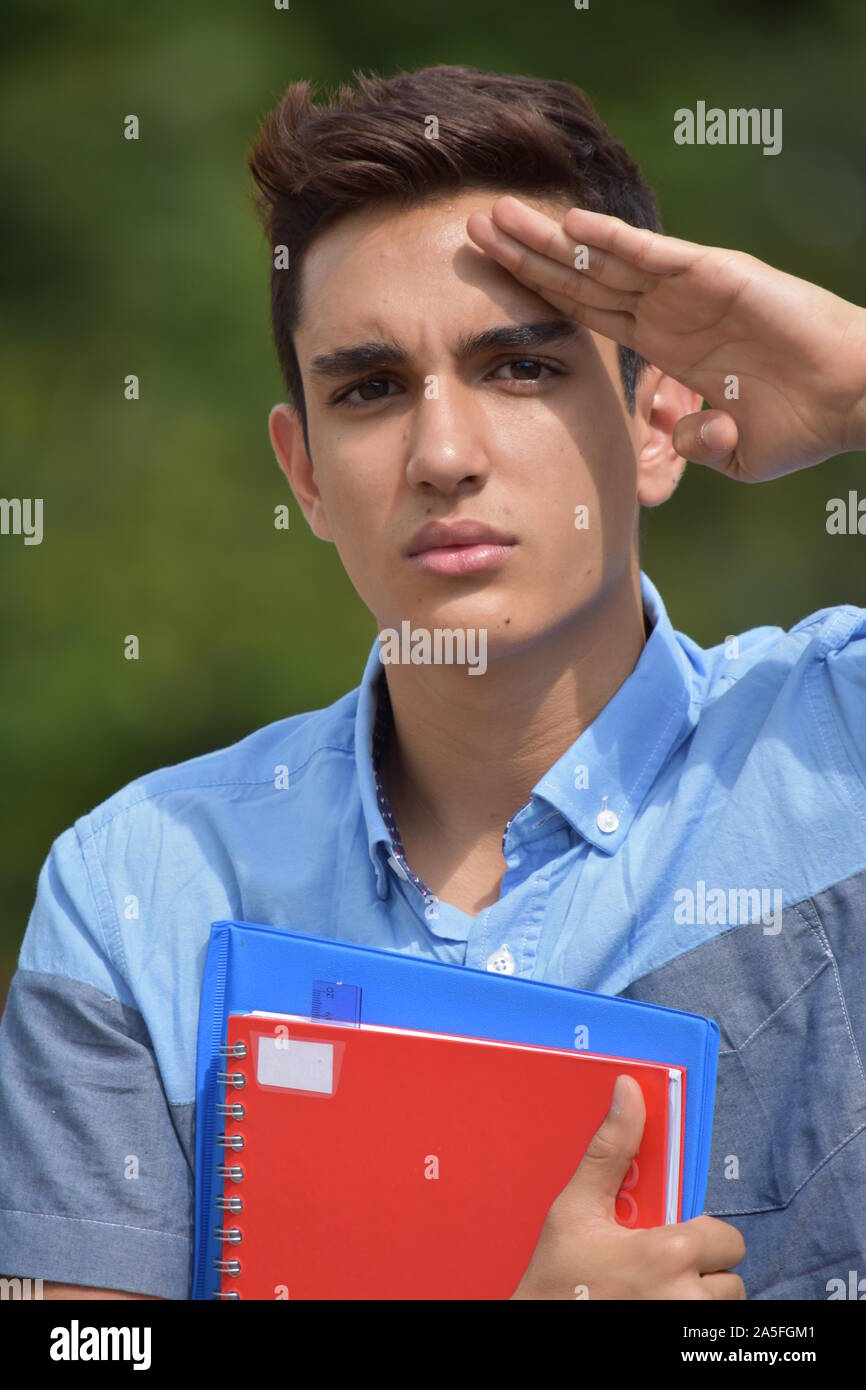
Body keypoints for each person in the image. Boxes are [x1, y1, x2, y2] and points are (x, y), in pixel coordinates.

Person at [1, 64, 864, 1301]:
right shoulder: (137, 888)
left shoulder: (839, 737)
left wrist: (852, 383)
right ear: (302, 472)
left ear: (658, 420)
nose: (442, 454)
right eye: (368, 389)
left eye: (518, 367)